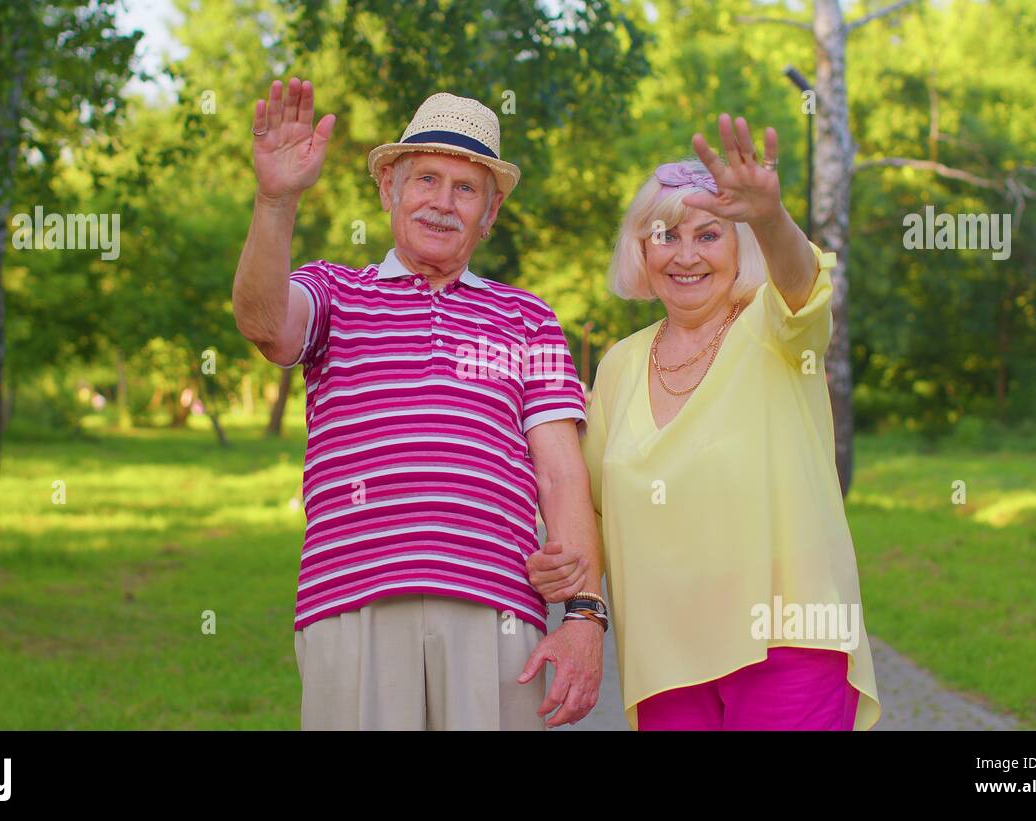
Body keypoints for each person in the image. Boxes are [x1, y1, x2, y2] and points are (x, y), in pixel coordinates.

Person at [231, 79, 604, 730]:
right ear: (390, 190)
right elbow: (265, 324)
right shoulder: (334, 292)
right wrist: (274, 200)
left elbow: (562, 473)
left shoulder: (529, 318)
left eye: (466, 189)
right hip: (353, 604)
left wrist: (583, 617)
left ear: (489, 214)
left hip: (496, 614)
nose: (442, 202)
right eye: (426, 178)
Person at [529, 114, 881, 731]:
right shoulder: (619, 365)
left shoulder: (773, 329)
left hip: (788, 644)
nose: (685, 255)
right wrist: (561, 568)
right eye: (664, 235)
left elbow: (805, 289)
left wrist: (770, 217)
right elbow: (587, 507)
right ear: (641, 249)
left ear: (740, 244)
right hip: (666, 663)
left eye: (710, 235)